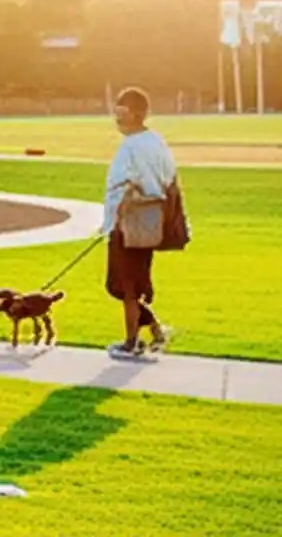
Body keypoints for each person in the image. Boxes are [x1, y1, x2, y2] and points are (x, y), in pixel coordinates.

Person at [102, 87, 178, 359]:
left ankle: (132, 342)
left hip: (129, 223)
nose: (117, 119)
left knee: (127, 286)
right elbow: (169, 177)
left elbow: (124, 187)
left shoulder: (133, 147)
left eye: (122, 113)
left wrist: (115, 218)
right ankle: (156, 331)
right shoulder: (156, 141)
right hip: (149, 223)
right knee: (132, 282)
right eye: (116, 112)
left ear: (137, 114)